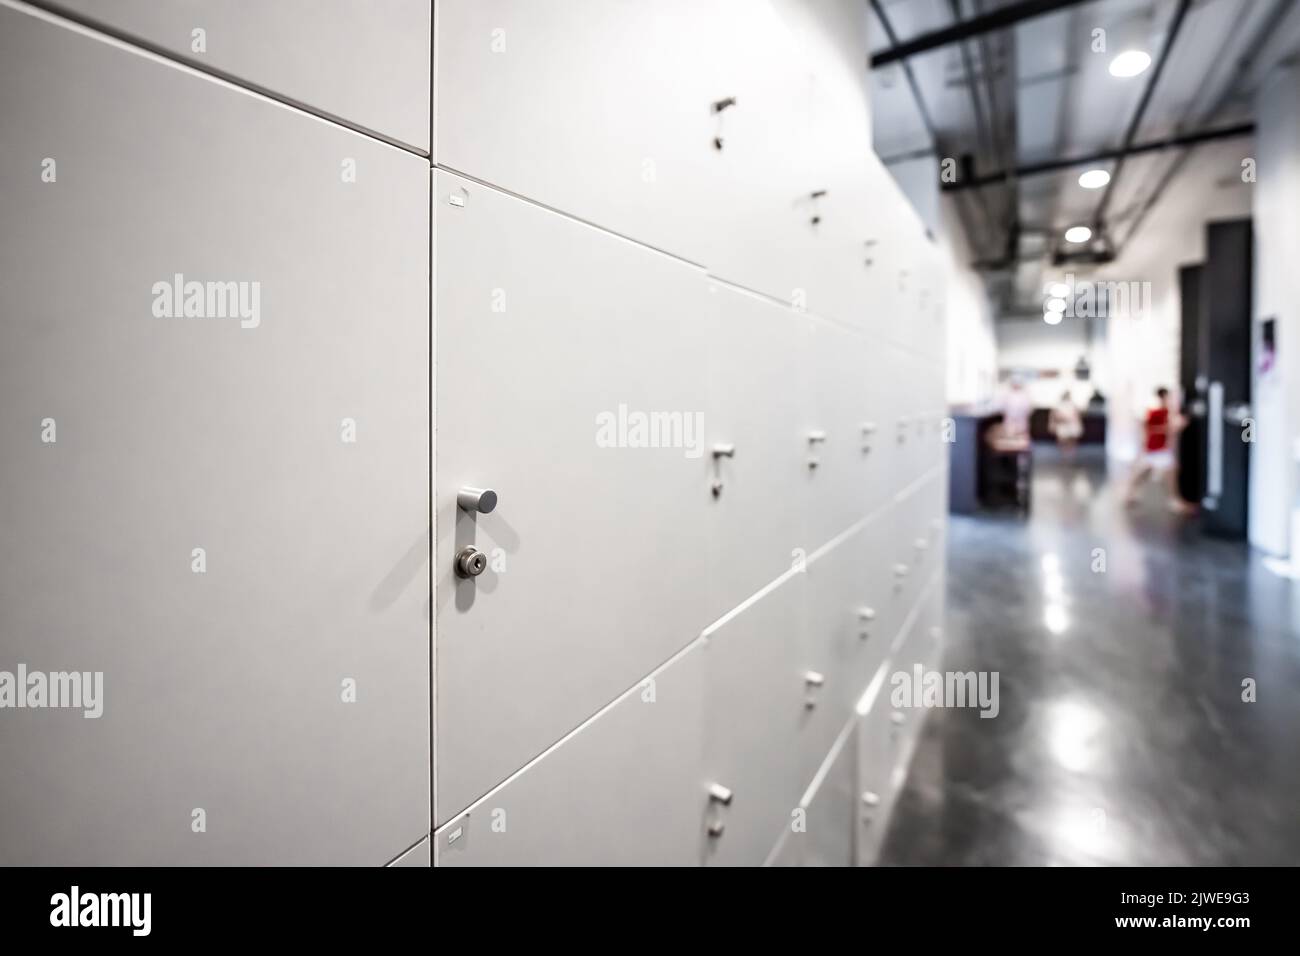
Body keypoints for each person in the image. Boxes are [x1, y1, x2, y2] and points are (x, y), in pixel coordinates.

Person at [1125, 386, 1194, 513]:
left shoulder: (1166, 411)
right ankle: (1173, 500)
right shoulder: (1155, 412)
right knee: (1160, 471)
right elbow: (1150, 428)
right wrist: (1171, 427)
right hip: (1155, 447)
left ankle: (1130, 493)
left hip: (1160, 447)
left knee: (1160, 470)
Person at [1049, 391, 1083, 461]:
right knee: (1063, 440)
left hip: (1071, 425)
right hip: (1063, 425)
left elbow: (1076, 415)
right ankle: (1064, 455)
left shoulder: (1072, 405)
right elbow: (1054, 415)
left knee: (1071, 440)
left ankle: (1071, 455)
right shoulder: (1059, 405)